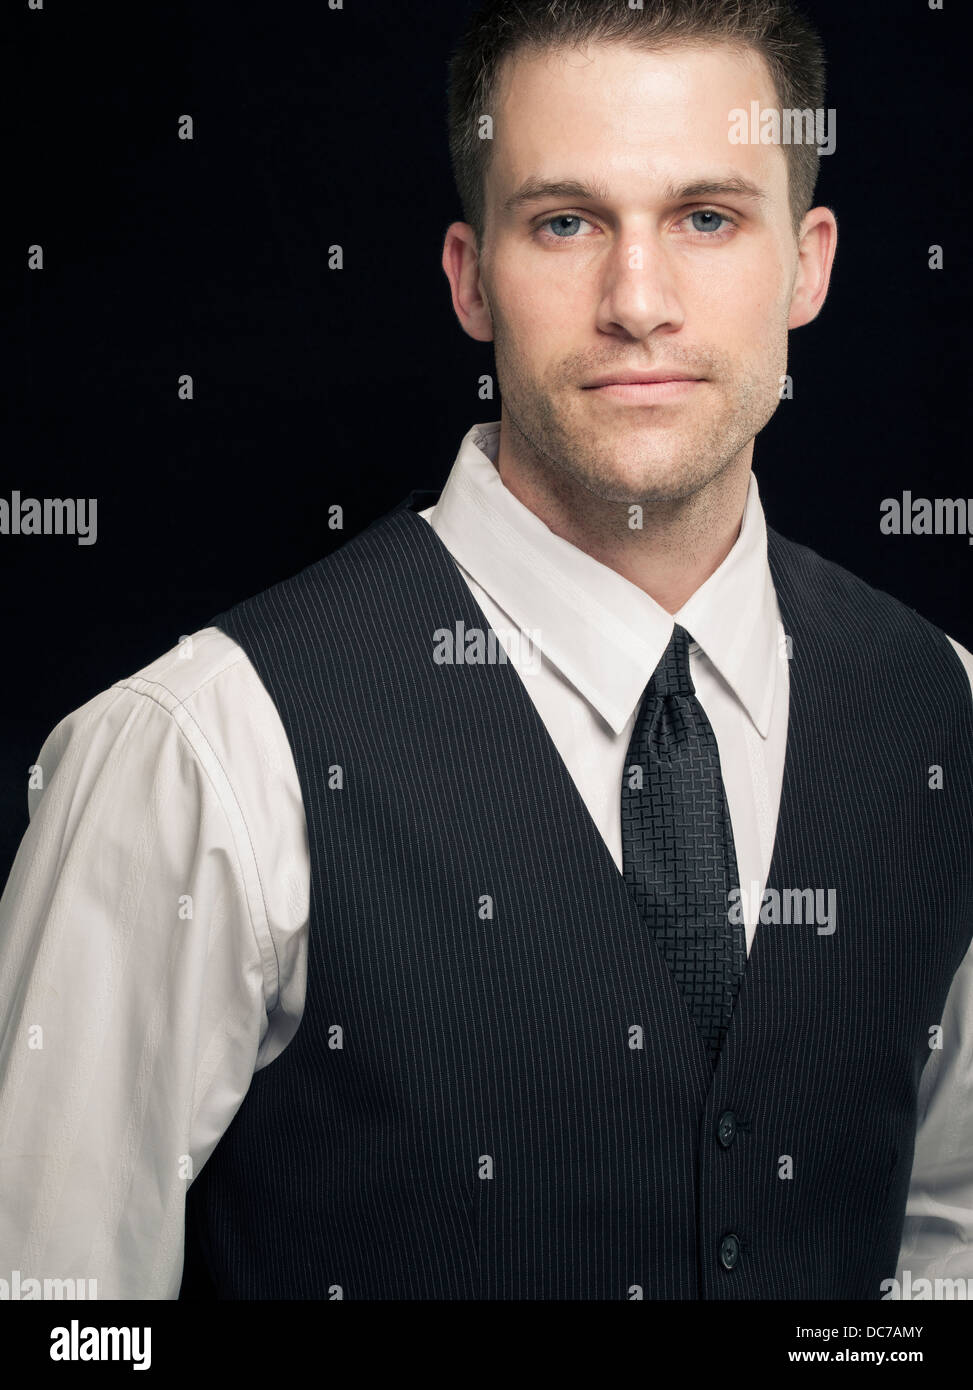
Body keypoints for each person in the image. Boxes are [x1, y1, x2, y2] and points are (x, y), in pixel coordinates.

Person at [1, 0, 970, 1301]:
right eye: (564, 221)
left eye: (705, 217)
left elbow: (941, 1243)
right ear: (467, 276)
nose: (637, 302)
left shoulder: (937, 712)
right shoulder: (203, 754)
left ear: (808, 262)